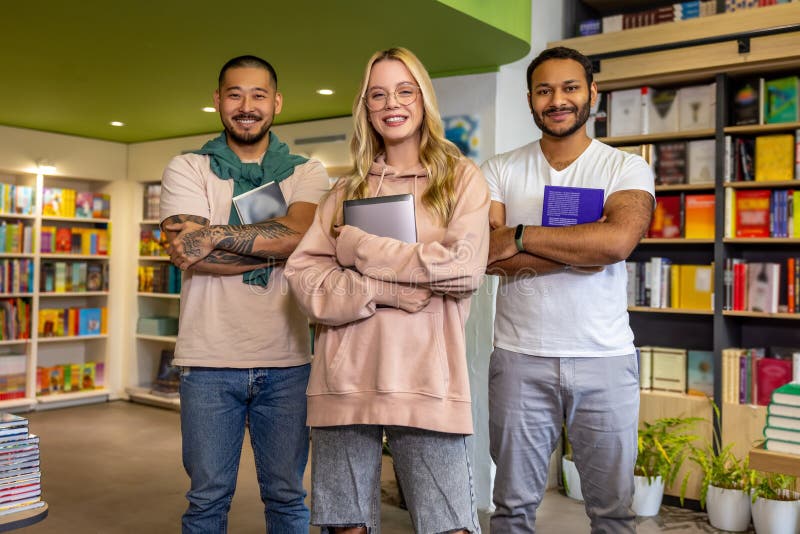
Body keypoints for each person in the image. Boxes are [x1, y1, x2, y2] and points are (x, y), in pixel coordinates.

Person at [285, 47, 489, 534]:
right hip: (344, 382)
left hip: (427, 382)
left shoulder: (461, 180)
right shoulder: (345, 190)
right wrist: (384, 291)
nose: (391, 103)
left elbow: (463, 270)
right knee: (346, 527)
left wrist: (359, 246)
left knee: (450, 528)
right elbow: (304, 277)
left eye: (404, 91)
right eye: (378, 94)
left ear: (423, 99)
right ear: (366, 107)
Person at [482, 46, 655, 533]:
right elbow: (483, 254)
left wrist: (519, 235)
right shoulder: (498, 169)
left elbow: (617, 242)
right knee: (512, 510)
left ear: (592, 93)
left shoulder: (625, 168)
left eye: (570, 87)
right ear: (531, 99)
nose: (557, 100)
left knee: (613, 512)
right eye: (544, 90)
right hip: (519, 359)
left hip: (605, 359)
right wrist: (581, 248)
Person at [159, 54, 329, 533]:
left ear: (276, 102)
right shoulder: (188, 167)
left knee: (289, 499)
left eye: (258, 95)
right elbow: (189, 254)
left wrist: (214, 234)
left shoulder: (305, 171)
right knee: (207, 501)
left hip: (289, 361)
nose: (246, 105)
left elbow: (302, 236)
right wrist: (280, 245)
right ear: (218, 101)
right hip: (208, 360)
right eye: (235, 94)